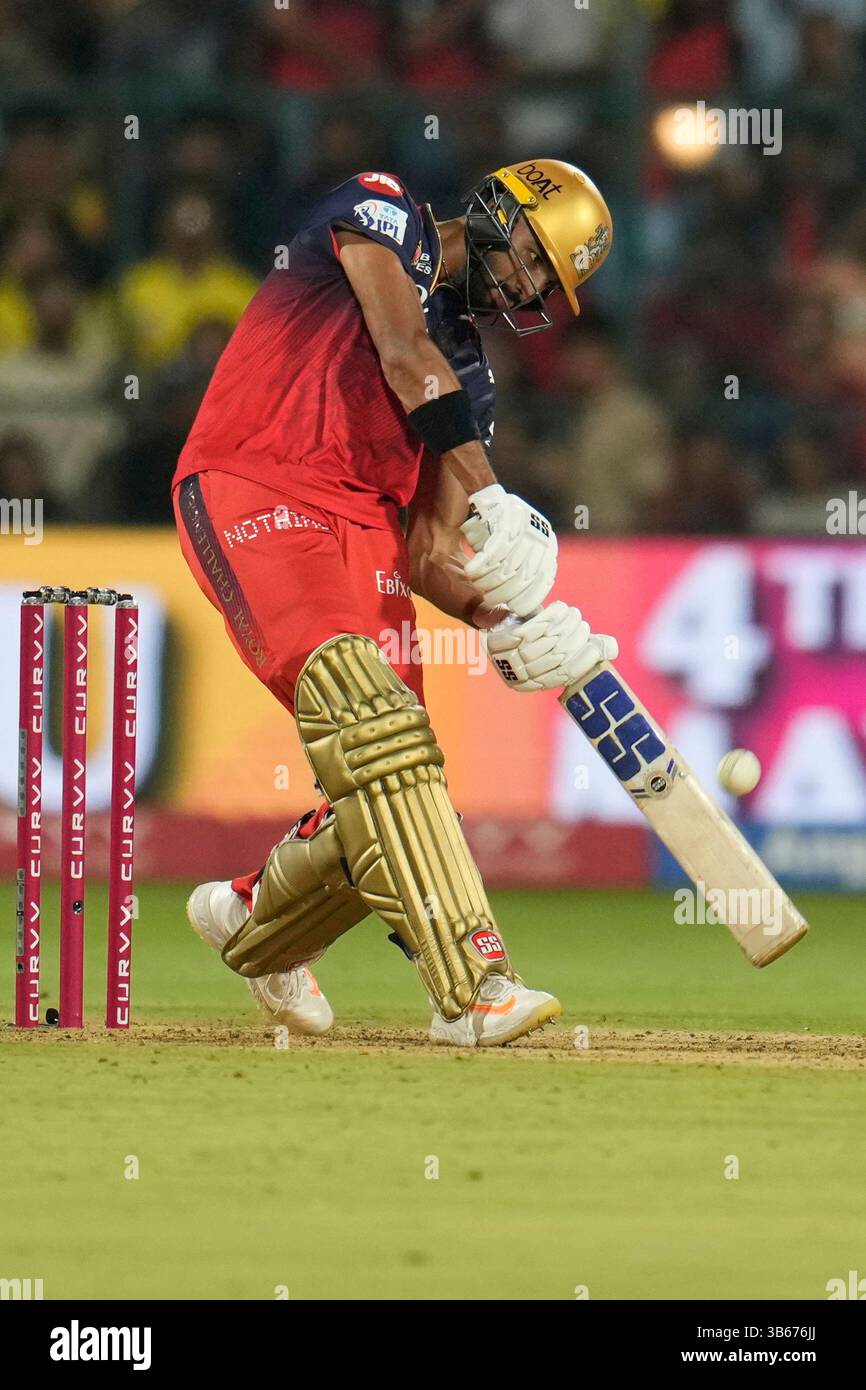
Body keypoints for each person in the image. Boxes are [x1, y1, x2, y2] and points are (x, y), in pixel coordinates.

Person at [173, 159, 615, 1046]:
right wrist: (493, 496)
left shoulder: (472, 382)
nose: (528, 286)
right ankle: (475, 988)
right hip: (259, 485)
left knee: (391, 778)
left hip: (365, 539)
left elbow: (427, 550)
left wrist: (509, 620)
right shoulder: (382, 210)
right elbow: (403, 352)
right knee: (374, 725)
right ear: (502, 205)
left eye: (547, 284)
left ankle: (252, 920)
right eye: (536, 258)